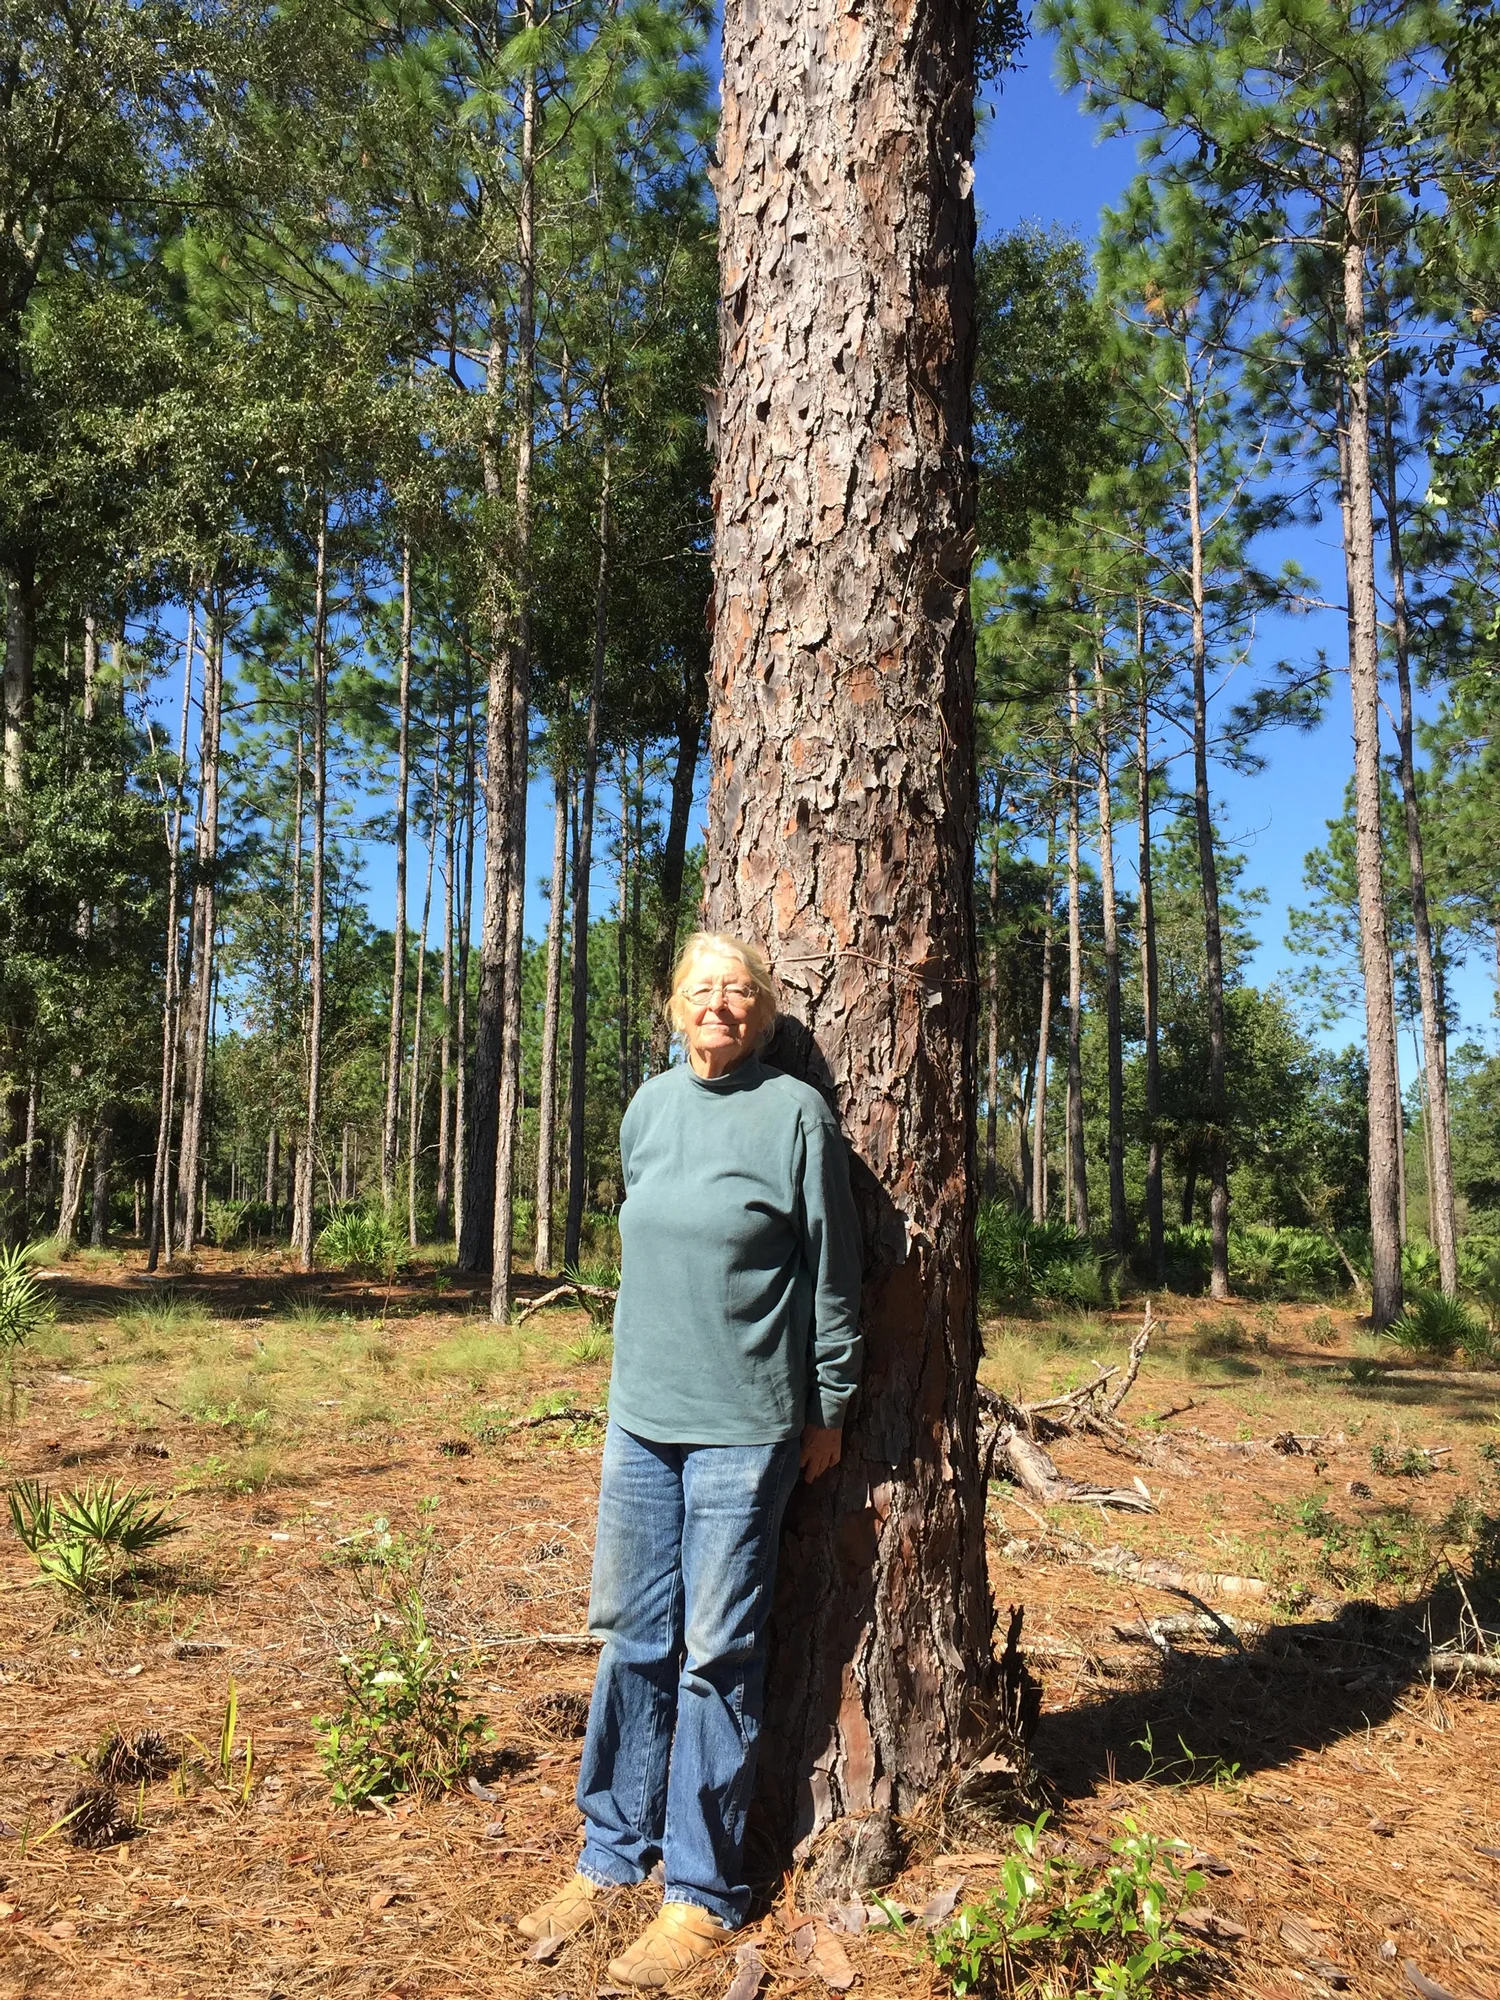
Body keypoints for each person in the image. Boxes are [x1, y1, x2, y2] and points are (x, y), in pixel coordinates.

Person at [517, 931, 863, 1988]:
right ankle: (609, 1853)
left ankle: (700, 1893)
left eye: (742, 990)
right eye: (704, 988)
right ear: (675, 1006)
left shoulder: (795, 1114)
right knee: (632, 1638)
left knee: (718, 1654)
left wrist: (830, 1404)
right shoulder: (649, 1107)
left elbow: (833, 1270)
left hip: (744, 1426)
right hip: (641, 1418)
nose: (722, 1003)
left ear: (765, 1013)